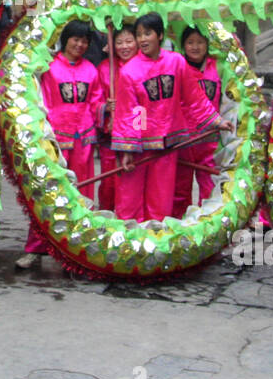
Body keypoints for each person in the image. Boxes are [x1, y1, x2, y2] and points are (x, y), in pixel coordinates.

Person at [112, 13, 224, 223]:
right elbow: (132, 111)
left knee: (160, 200)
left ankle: (156, 242)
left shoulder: (176, 62)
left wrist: (216, 120)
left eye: (148, 33)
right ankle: (132, 245)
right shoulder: (130, 71)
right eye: (139, 35)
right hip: (140, 147)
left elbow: (193, 97)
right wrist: (129, 147)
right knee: (130, 201)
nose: (143, 39)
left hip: (168, 145)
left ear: (160, 35)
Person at [17, 21, 105, 269]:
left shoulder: (91, 70)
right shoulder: (49, 68)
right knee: (47, 193)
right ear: (65, 39)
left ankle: (76, 251)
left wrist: (104, 109)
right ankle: (35, 248)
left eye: (84, 41)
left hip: (83, 140)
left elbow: (95, 101)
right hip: (54, 140)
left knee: (80, 194)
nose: (80, 44)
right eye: (75, 39)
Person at [173, 26, 221, 217]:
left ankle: (207, 224)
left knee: (209, 185)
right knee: (180, 187)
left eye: (200, 42)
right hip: (184, 138)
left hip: (209, 137)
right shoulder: (177, 67)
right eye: (190, 42)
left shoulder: (217, 67)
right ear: (183, 45)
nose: (195, 47)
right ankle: (180, 225)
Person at [95, 24, 138, 213]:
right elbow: (94, 99)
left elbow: (143, 107)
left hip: (136, 137)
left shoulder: (142, 66)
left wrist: (138, 130)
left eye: (129, 41)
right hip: (110, 136)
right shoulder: (105, 68)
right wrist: (105, 108)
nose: (124, 46)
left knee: (131, 184)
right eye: (119, 42)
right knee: (109, 182)